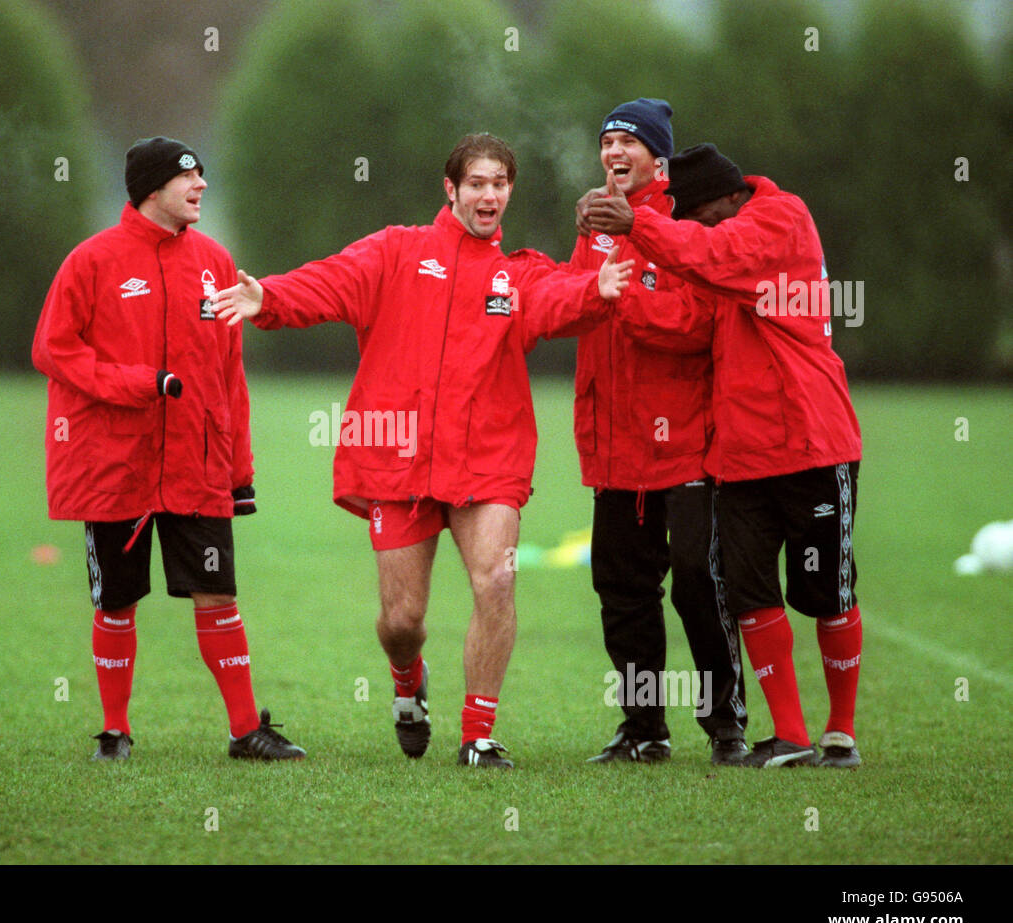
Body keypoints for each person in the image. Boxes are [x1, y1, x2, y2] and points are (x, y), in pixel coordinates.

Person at [213, 133, 634, 769]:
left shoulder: (518, 271)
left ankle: (479, 735)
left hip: (488, 463)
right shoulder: (398, 251)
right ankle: (409, 682)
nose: (489, 195)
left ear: (509, 192)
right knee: (402, 621)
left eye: (499, 184)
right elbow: (329, 282)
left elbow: (552, 302)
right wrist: (267, 298)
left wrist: (592, 289)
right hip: (397, 462)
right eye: (477, 184)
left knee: (497, 578)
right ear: (451, 189)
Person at [590, 143, 864, 768]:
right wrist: (608, 290)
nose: (696, 226)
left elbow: (714, 253)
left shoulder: (780, 217)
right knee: (751, 594)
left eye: (701, 213)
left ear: (730, 196)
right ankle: (792, 737)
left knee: (827, 593)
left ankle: (841, 732)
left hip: (810, 438)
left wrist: (640, 223)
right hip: (738, 452)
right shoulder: (716, 239)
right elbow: (684, 311)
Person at [33, 137, 305, 764]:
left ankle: (245, 731)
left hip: (196, 465)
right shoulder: (91, 261)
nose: (201, 186)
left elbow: (229, 375)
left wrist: (240, 472)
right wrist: (135, 384)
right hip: (114, 467)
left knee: (218, 596)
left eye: (204, 175)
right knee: (117, 599)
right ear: (151, 189)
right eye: (188, 177)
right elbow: (53, 349)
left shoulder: (215, 261)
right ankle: (114, 731)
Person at [568, 100, 748, 765]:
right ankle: (643, 727)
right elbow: (575, 301)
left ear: (657, 158)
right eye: (606, 140)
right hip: (614, 443)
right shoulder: (593, 224)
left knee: (697, 577)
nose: (614, 152)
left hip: (683, 443)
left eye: (629, 142)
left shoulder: (687, 217)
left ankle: (725, 720)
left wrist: (623, 297)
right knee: (621, 587)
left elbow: (697, 324)